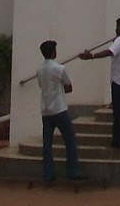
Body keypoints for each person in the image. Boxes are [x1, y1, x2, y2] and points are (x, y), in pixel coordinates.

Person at [78, 17, 120, 151]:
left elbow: (109, 52)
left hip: (119, 82)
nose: (115, 30)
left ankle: (117, 141)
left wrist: (92, 56)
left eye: (117, 27)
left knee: (118, 114)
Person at [35, 40, 84, 182]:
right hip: (59, 108)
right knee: (70, 139)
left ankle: (48, 173)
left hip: (45, 109)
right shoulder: (60, 68)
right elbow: (69, 86)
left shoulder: (39, 70)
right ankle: (73, 171)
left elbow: (41, 87)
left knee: (47, 143)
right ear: (53, 52)